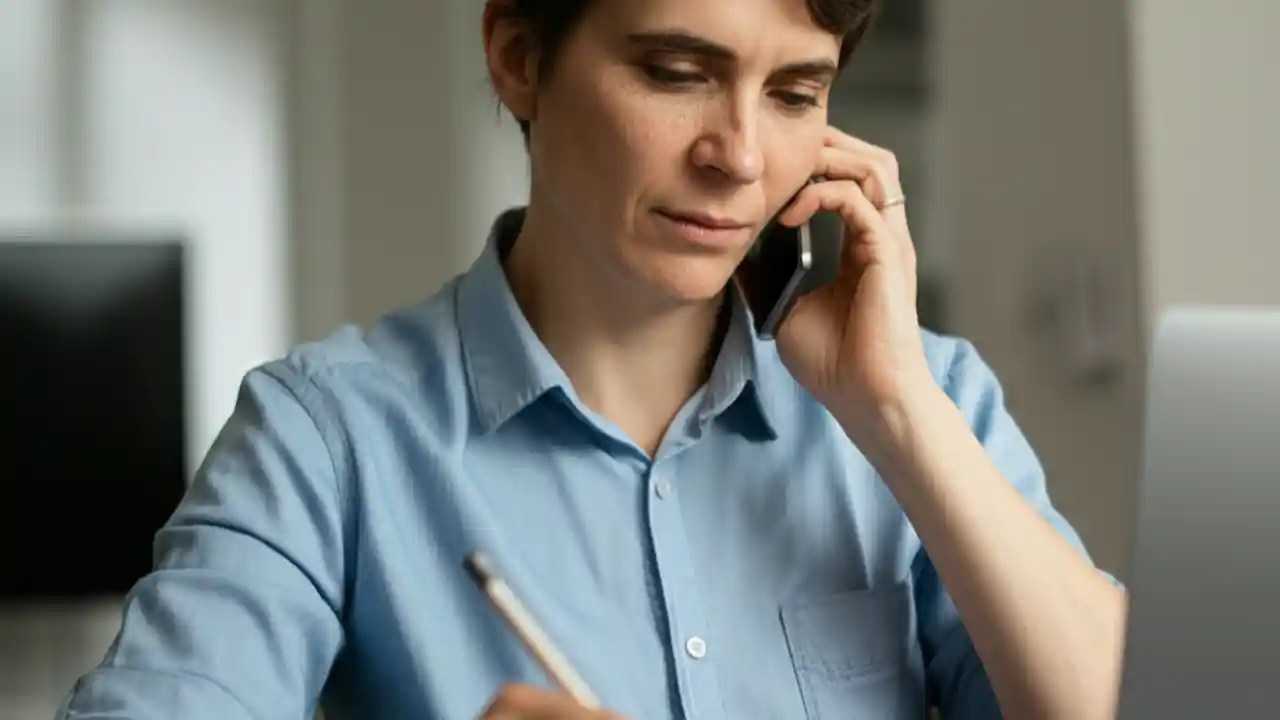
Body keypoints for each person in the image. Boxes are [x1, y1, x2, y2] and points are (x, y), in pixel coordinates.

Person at [58, 0, 1128, 718]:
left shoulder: (930, 402)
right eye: (675, 73)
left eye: (795, 95)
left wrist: (895, 411)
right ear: (519, 58)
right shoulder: (323, 437)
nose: (740, 156)